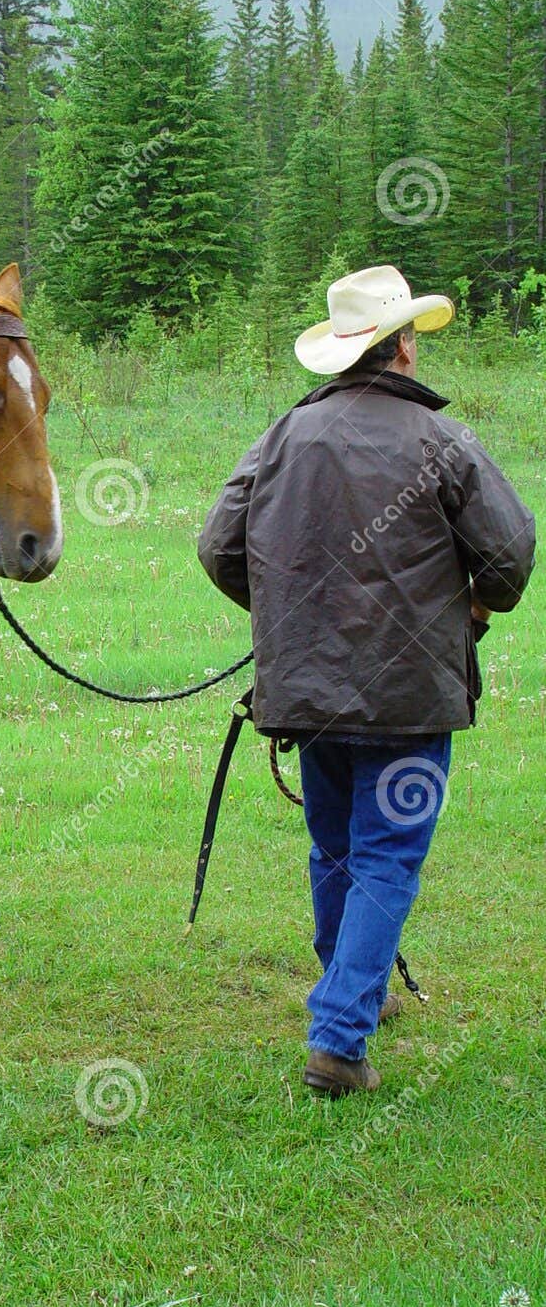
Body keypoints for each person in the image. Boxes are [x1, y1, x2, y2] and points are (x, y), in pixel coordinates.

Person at [198, 265, 535, 1096]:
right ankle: (339, 1037)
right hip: (408, 697)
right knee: (382, 856)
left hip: (308, 695)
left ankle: (351, 991)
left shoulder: (282, 436)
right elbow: (507, 559)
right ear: (405, 350)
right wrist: (473, 615)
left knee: (338, 847)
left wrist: (289, 616)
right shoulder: (443, 443)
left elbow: (217, 547)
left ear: (346, 354)